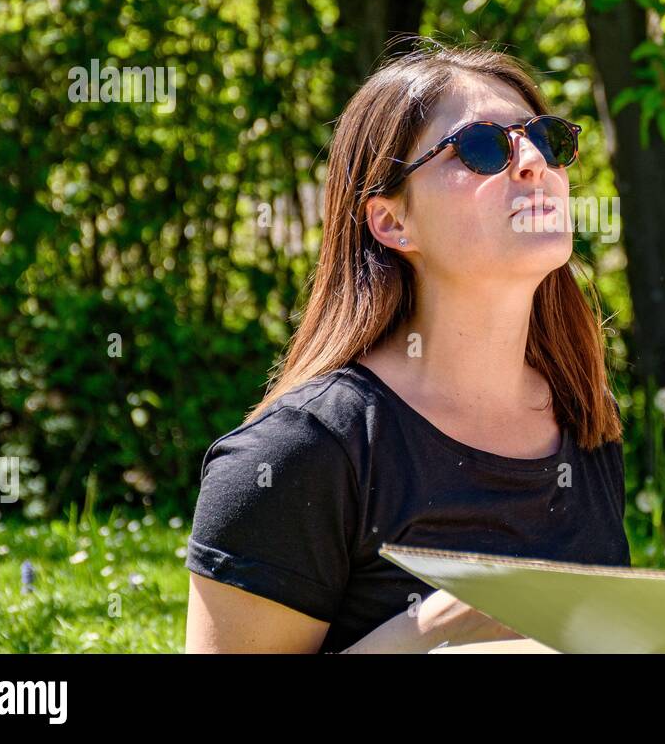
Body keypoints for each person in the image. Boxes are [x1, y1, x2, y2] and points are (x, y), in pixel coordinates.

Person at [184, 39, 630, 653]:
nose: (533, 162)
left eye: (547, 139)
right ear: (393, 222)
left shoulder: (583, 421)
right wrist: (430, 635)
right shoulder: (301, 452)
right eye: (481, 149)